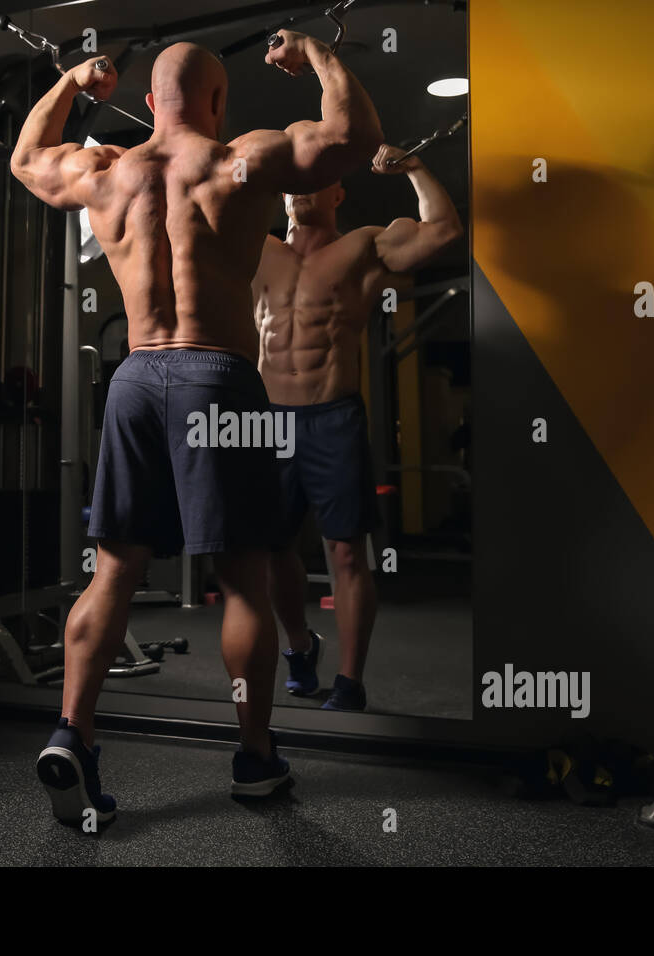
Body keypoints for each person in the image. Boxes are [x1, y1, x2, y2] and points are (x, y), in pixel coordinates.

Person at [10, 33, 382, 826]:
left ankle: (72, 732)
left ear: (148, 103)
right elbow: (355, 137)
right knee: (245, 575)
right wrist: (314, 56)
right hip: (219, 373)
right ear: (218, 102)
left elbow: (26, 159)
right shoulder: (240, 159)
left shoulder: (106, 167)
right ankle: (254, 757)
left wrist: (75, 82)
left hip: (136, 377)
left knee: (113, 571)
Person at [252, 144, 463, 711]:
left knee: (346, 552)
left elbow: (443, 231)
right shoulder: (257, 248)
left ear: (337, 193)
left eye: (315, 181)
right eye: (292, 183)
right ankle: (300, 644)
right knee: (272, 549)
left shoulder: (366, 244)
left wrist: (414, 167)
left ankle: (349, 681)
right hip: (267, 420)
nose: (300, 191)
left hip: (332, 415)